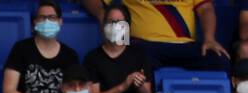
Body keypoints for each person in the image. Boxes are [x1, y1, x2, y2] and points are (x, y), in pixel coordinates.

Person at [82, 0, 228, 71]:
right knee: (132, 61)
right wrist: (101, 12)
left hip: (184, 45)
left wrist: (209, 38)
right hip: (144, 45)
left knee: (219, 60)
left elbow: (206, 9)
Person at [85, 2, 152, 93]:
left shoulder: (140, 55)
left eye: (119, 22)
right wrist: (123, 86)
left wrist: (141, 85)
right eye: (111, 22)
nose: (115, 26)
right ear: (104, 25)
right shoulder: (92, 58)